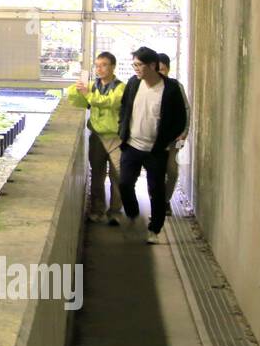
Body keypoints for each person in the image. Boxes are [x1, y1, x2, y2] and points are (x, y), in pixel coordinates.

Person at [118, 46, 189, 243]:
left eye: (139, 65)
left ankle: (154, 229)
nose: (136, 69)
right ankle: (132, 214)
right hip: (131, 145)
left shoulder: (171, 88)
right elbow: (124, 108)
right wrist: (121, 131)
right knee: (124, 183)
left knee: (156, 190)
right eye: (134, 64)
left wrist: (167, 141)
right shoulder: (133, 83)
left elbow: (180, 119)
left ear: (152, 66)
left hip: (156, 150)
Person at [66, 51, 125, 224]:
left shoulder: (121, 87)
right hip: (97, 137)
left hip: (116, 138)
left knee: (118, 175)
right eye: (97, 65)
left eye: (104, 65)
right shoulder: (92, 85)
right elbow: (76, 101)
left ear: (113, 66)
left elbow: (111, 102)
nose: (100, 69)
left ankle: (115, 212)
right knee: (97, 175)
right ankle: (97, 210)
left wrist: (87, 94)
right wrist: (78, 88)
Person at [156, 53, 189, 206]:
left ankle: (165, 200)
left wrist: (184, 133)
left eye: (162, 69)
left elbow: (185, 110)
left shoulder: (176, 87)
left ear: (168, 70)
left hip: (173, 139)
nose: (159, 72)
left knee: (172, 171)